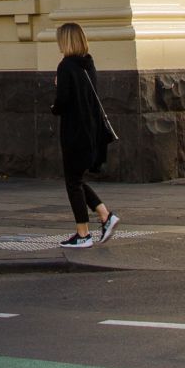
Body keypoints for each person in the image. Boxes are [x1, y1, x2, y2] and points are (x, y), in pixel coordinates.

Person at [52, 21, 118, 249]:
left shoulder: (66, 67)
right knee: (77, 179)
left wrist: (55, 99)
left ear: (66, 41)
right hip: (91, 131)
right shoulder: (87, 64)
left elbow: (62, 103)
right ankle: (104, 214)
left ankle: (83, 233)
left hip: (74, 132)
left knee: (72, 182)